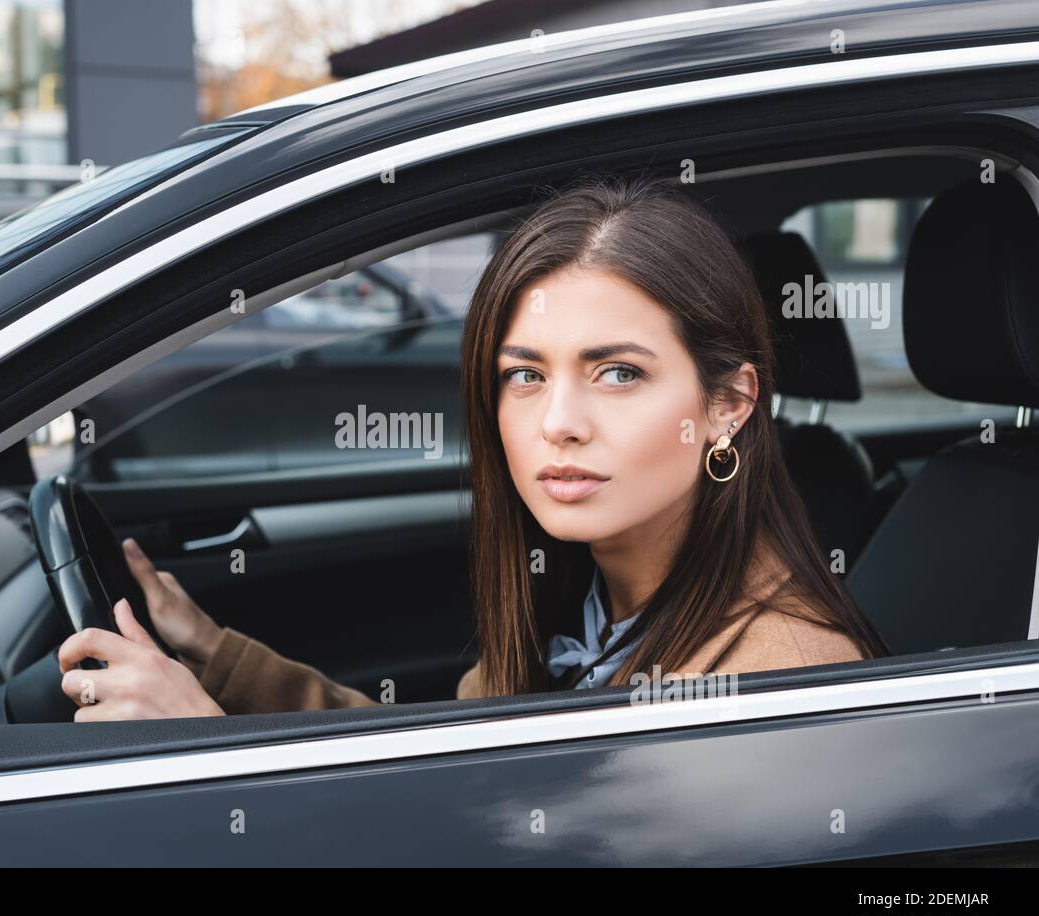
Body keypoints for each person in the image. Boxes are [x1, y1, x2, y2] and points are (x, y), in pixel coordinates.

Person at [57, 173, 887, 721]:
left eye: (618, 374)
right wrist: (214, 656)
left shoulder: (782, 676)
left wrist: (208, 754)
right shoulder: (584, 602)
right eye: (524, 376)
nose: (557, 421)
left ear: (727, 406)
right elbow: (435, 768)